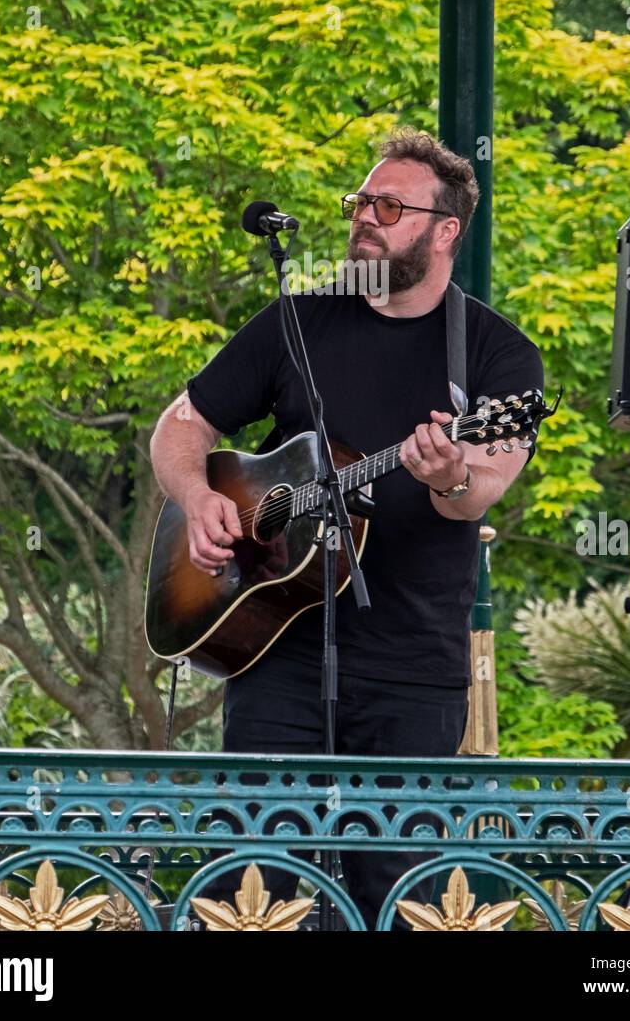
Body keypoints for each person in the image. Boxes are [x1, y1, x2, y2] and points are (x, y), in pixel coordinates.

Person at [150, 128, 544, 930]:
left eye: (388, 206)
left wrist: (449, 476)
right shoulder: (299, 320)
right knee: (251, 889)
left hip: (412, 667)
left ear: (444, 231)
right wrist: (199, 498)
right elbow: (179, 426)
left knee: (392, 898)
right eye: (360, 202)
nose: (363, 217)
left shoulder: (500, 359)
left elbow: (478, 493)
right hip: (275, 652)